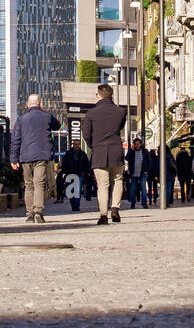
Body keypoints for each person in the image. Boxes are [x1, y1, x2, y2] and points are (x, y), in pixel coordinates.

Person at [84, 83, 128, 225]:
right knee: (118, 179)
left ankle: (103, 214)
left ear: (99, 95)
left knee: (102, 185)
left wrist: (94, 145)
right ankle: (115, 207)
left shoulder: (91, 113)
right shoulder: (121, 111)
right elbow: (120, 127)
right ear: (111, 95)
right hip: (116, 149)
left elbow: (86, 135)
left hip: (99, 151)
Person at [10, 93, 57, 223]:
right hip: (42, 155)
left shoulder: (21, 119)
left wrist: (14, 159)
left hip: (25, 156)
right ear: (40, 104)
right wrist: (45, 112)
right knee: (39, 184)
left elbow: (15, 140)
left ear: (27, 105)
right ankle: (38, 211)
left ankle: (29, 214)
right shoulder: (47, 117)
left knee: (28, 185)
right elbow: (57, 125)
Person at [63, 139, 90, 212]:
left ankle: (76, 206)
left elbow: (87, 164)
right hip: (70, 174)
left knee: (77, 191)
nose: (76, 146)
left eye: (77, 144)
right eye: (75, 144)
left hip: (79, 174)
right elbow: (64, 163)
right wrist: (65, 171)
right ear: (73, 144)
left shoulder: (83, 154)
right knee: (71, 191)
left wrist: (86, 173)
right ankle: (73, 205)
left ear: (79, 145)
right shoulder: (68, 153)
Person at [125, 137, 148, 209]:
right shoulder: (132, 151)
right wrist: (131, 151)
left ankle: (144, 203)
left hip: (142, 172)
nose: (137, 145)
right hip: (133, 173)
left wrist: (146, 170)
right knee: (133, 188)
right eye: (135, 144)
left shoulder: (145, 151)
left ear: (141, 144)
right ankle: (133, 203)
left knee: (143, 188)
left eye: (138, 144)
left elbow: (149, 161)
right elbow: (127, 158)